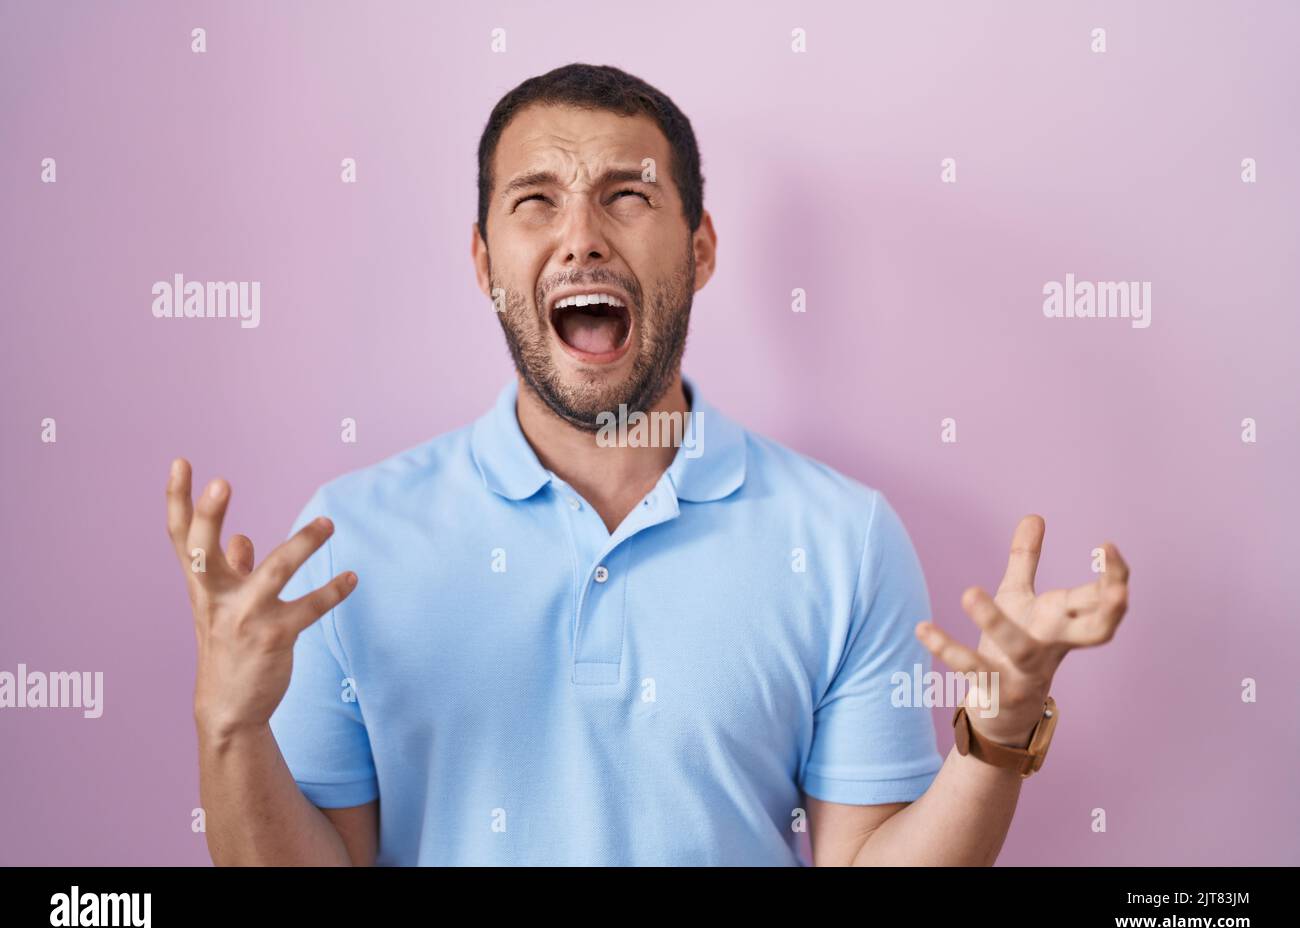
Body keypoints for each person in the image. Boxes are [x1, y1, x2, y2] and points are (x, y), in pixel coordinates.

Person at [165, 63, 1129, 866]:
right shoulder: (350, 539)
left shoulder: (841, 538)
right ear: (483, 261)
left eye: (628, 197)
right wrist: (230, 728)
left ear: (700, 249)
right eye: (535, 201)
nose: (581, 234)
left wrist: (998, 738)